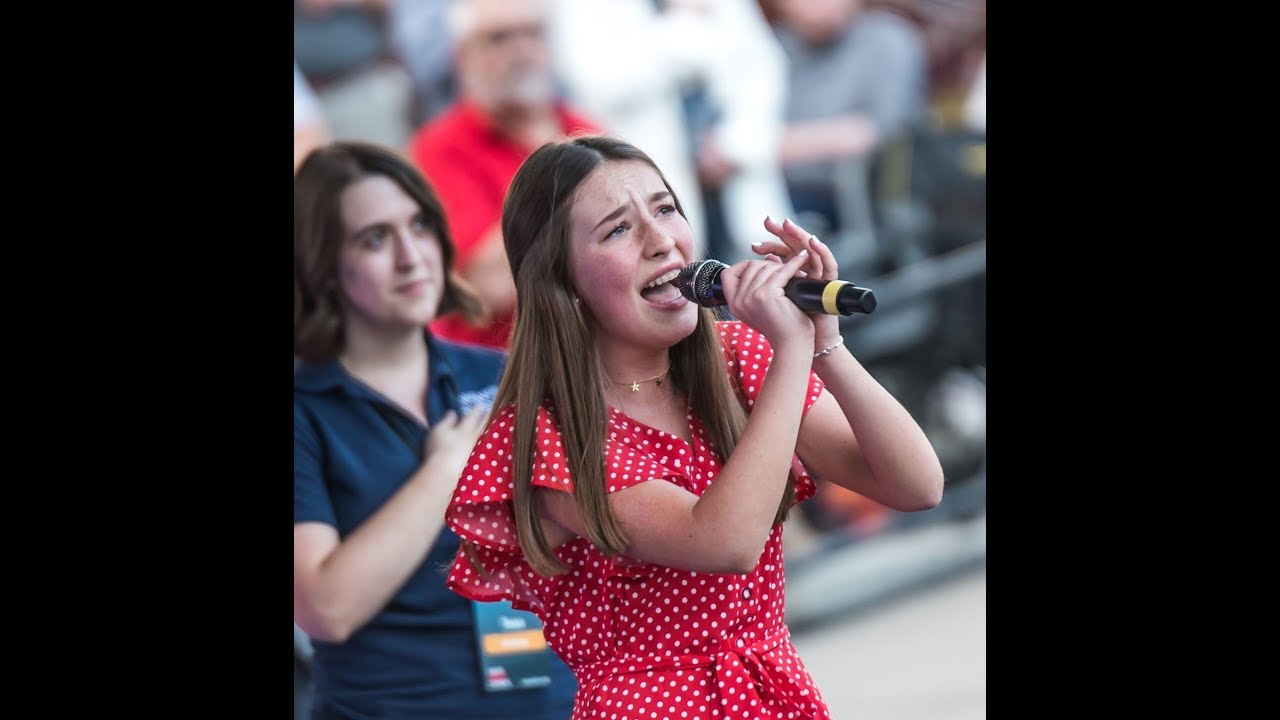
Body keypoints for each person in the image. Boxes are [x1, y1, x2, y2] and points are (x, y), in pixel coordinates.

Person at [441, 135, 945, 719]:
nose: (662, 243)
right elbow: (723, 542)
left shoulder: (739, 359)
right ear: (563, 283)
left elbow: (917, 486)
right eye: (617, 230)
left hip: (774, 693)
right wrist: (789, 352)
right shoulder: (545, 434)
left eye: (665, 209)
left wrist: (823, 342)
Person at [293, 140, 577, 719]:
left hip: (554, 699)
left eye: (419, 225)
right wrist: (445, 469)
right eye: (374, 238)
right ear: (319, 264)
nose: (410, 256)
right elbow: (326, 607)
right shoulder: (304, 411)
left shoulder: (504, 375)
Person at [407, 0, 600, 350]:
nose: (522, 50)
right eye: (499, 38)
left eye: (533, 33)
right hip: (504, 368)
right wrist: (563, 171)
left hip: (594, 353)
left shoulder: (585, 127)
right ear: (462, 55)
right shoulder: (438, 148)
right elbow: (487, 286)